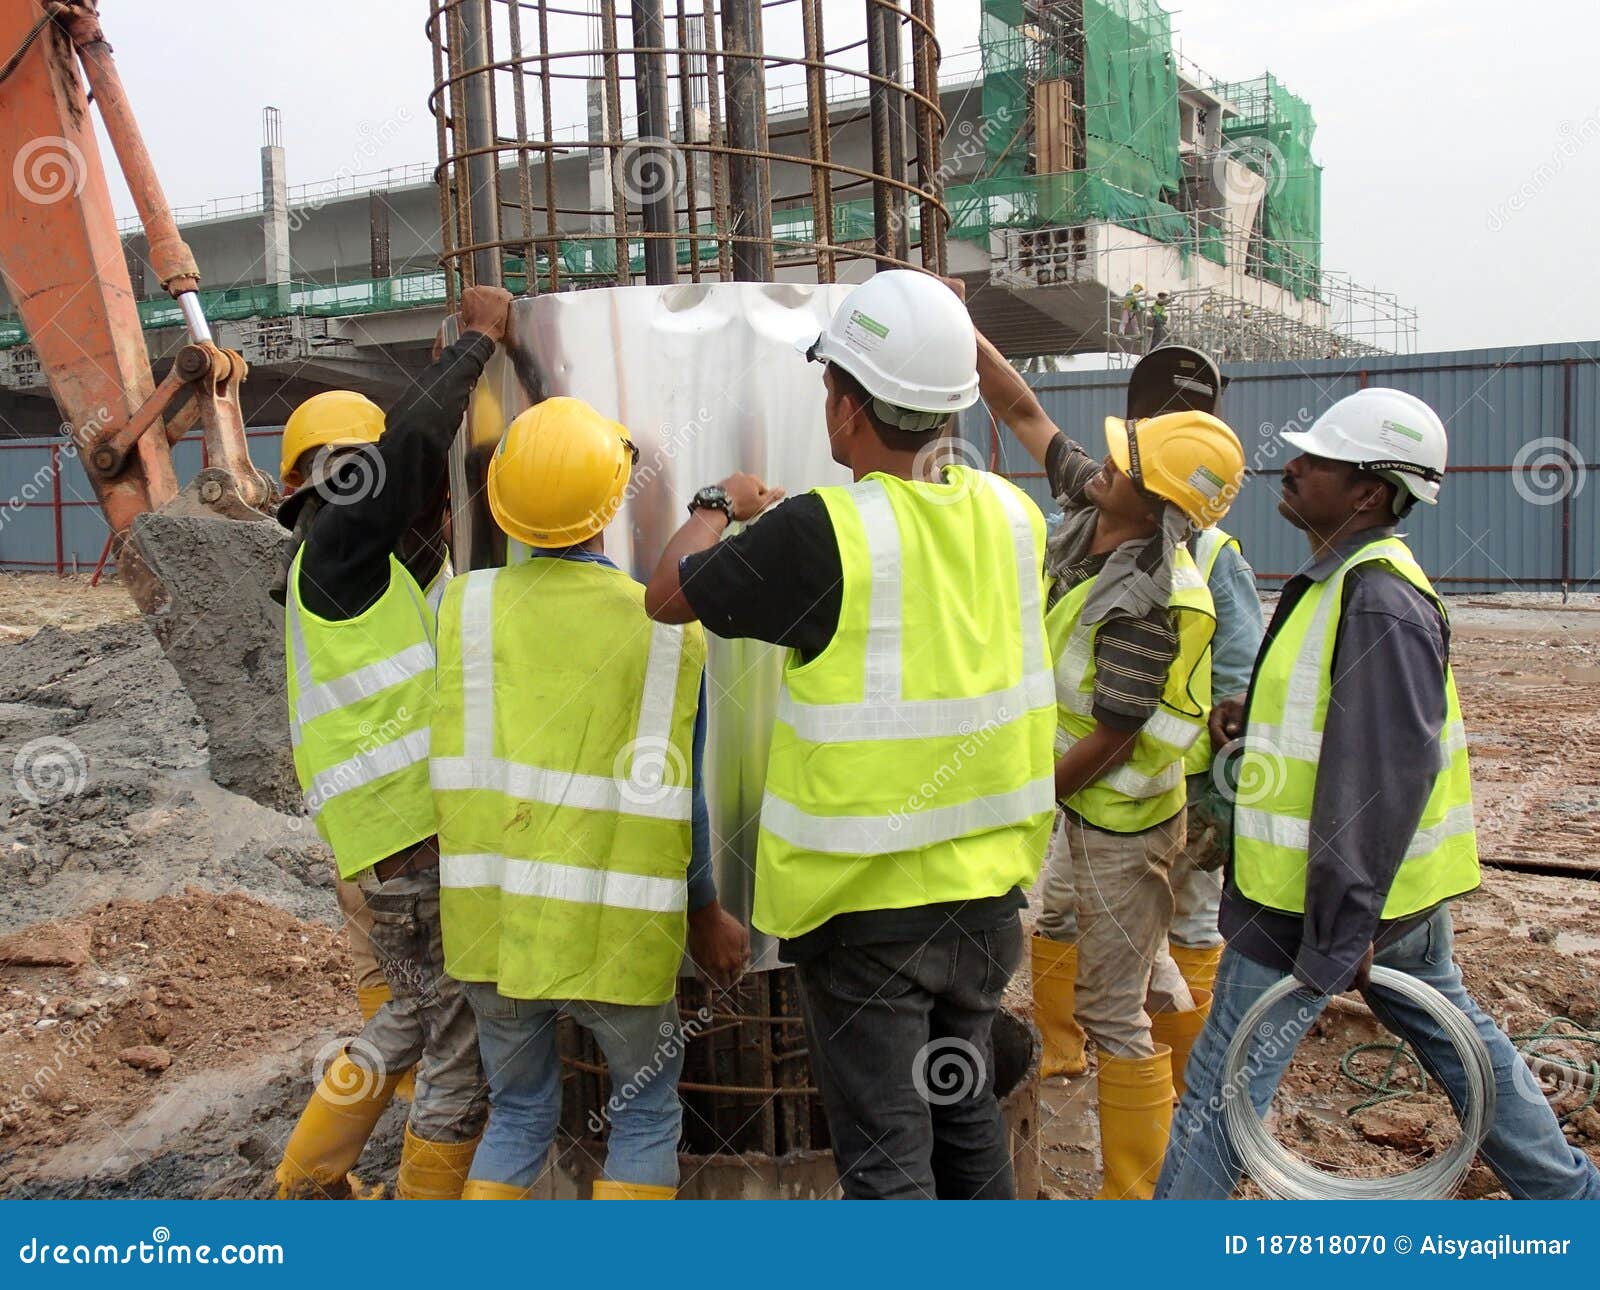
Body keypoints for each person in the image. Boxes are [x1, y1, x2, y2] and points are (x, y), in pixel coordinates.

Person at [643, 269, 1056, 1200]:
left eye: (830, 383)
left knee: (887, 1167)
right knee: (967, 1125)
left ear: (847, 408)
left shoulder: (824, 534)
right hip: (987, 904)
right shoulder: (1012, 516)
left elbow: (666, 595)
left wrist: (717, 500)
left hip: (869, 921)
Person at [1156, 388, 1600, 1200]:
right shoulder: (1342, 582)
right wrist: (1250, 726)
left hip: (1312, 911)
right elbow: (1337, 736)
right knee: (1456, 1038)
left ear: (1368, 490)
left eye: (1317, 460)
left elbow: (1383, 777)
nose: (1291, 467)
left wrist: (1341, 924)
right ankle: (1568, 1196)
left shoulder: (1380, 599)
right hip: (1371, 902)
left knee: (1220, 1099)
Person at [432, 397, 748, 1201]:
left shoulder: (460, 610)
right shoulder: (669, 628)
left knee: (517, 1113)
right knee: (642, 1115)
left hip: (492, 925)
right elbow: (684, 793)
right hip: (616, 927)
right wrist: (707, 911)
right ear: (614, 504)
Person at [972, 325, 1245, 1198]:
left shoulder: (1145, 601)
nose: (1104, 465)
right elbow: (1022, 410)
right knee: (1087, 936)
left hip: (1123, 819)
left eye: (1123, 464)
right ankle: (1112, 1011)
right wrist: (966, 328)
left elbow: (1114, 735)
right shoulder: (1100, 503)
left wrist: (1021, 800)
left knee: (1112, 1013)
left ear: (1150, 498)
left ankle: (1138, 1200)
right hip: (1091, 804)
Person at [271, 284, 510, 1200]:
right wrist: (478, 343)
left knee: (412, 1019)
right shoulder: (336, 547)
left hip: (386, 839)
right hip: (409, 841)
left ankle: (304, 1181)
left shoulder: (359, 567)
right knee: (458, 1058)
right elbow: (408, 453)